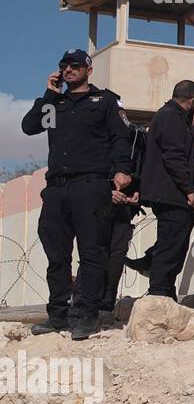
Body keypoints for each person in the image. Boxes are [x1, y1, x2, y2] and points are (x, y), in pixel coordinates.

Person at [21, 49, 132, 339]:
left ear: (88, 69)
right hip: (57, 187)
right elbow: (29, 127)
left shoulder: (105, 101)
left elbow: (121, 138)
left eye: (74, 66)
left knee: (92, 252)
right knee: (56, 254)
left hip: (91, 184)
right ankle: (58, 314)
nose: (68, 70)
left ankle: (86, 314)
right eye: (63, 66)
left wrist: (122, 170)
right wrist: (48, 94)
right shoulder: (54, 104)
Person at [139, 81, 194, 301]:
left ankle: (165, 291)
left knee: (175, 244)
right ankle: (159, 293)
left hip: (172, 194)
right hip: (170, 193)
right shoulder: (170, 117)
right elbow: (174, 157)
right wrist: (189, 190)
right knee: (170, 244)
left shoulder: (177, 119)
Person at [102, 109, 147, 315]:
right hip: (97, 204)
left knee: (116, 254)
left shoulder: (136, 138)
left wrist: (138, 193)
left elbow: (142, 169)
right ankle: (87, 301)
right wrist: (106, 192)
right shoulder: (97, 139)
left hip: (125, 206)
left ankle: (106, 302)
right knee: (94, 253)